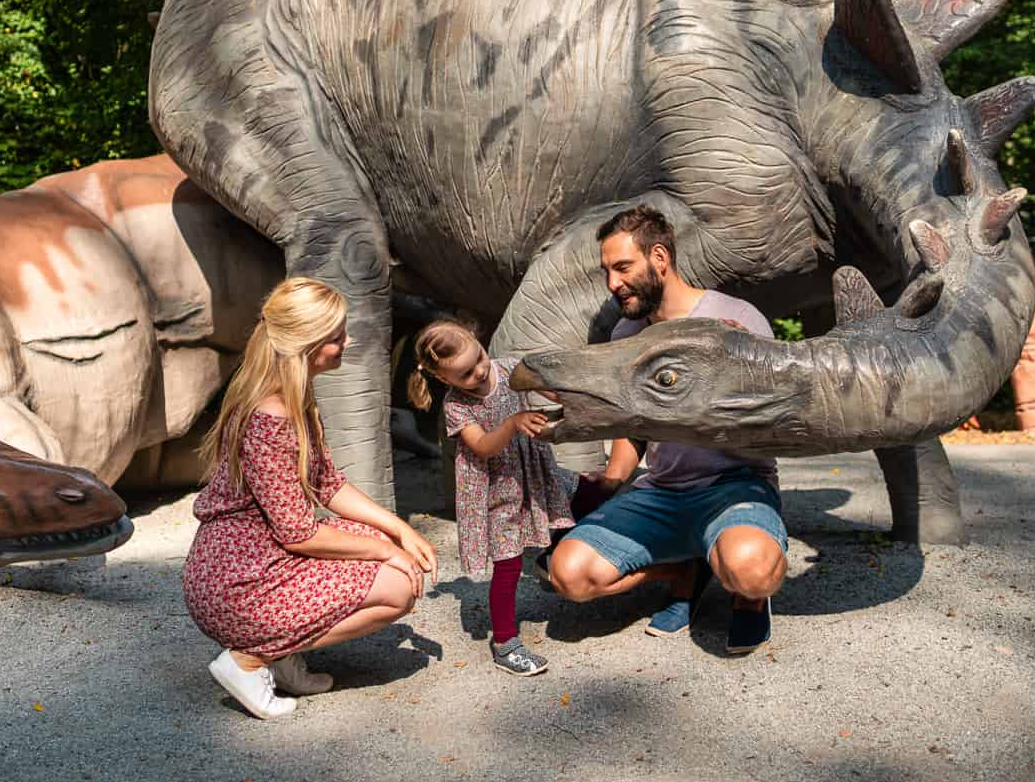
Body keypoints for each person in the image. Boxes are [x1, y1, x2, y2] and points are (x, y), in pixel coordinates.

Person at [182, 278, 439, 720]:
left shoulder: (292, 395)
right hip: (237, 583)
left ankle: (280, 653)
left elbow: (327, 483)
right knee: (398, 587)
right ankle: (250, 660)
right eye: (337, 336)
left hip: (254, 557)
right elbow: (299, 534)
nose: (347, 341)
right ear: (308, 345)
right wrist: (384, 551)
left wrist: (397, 529)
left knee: (384, 546)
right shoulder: (268, 418)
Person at [544, 205, 787, 654]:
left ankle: (748, 599)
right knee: (569, 575)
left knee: (751, 570)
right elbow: (632, 425)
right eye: (607, 271)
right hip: (663, 492)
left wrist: (732, 362)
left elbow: (773, 421)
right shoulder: (626, 334)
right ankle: (683, 573)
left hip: (735, 487)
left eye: (622, 267)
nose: (612, 284)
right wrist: (613, 478)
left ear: (659, 257)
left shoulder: (736, 318)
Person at [407, 318, 573, 675]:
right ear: (443, 379)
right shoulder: (456, 406)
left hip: (532, 470)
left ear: (479, 342)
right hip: (496, 488)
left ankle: (553, 562)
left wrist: (567, 395)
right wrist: (513, 423)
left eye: (480, 357)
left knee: (576, 495)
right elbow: (482, 447)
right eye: (466, 373)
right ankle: (504, 641)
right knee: (509, 563)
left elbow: (549, 390)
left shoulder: (509, 367)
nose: (480, 372)